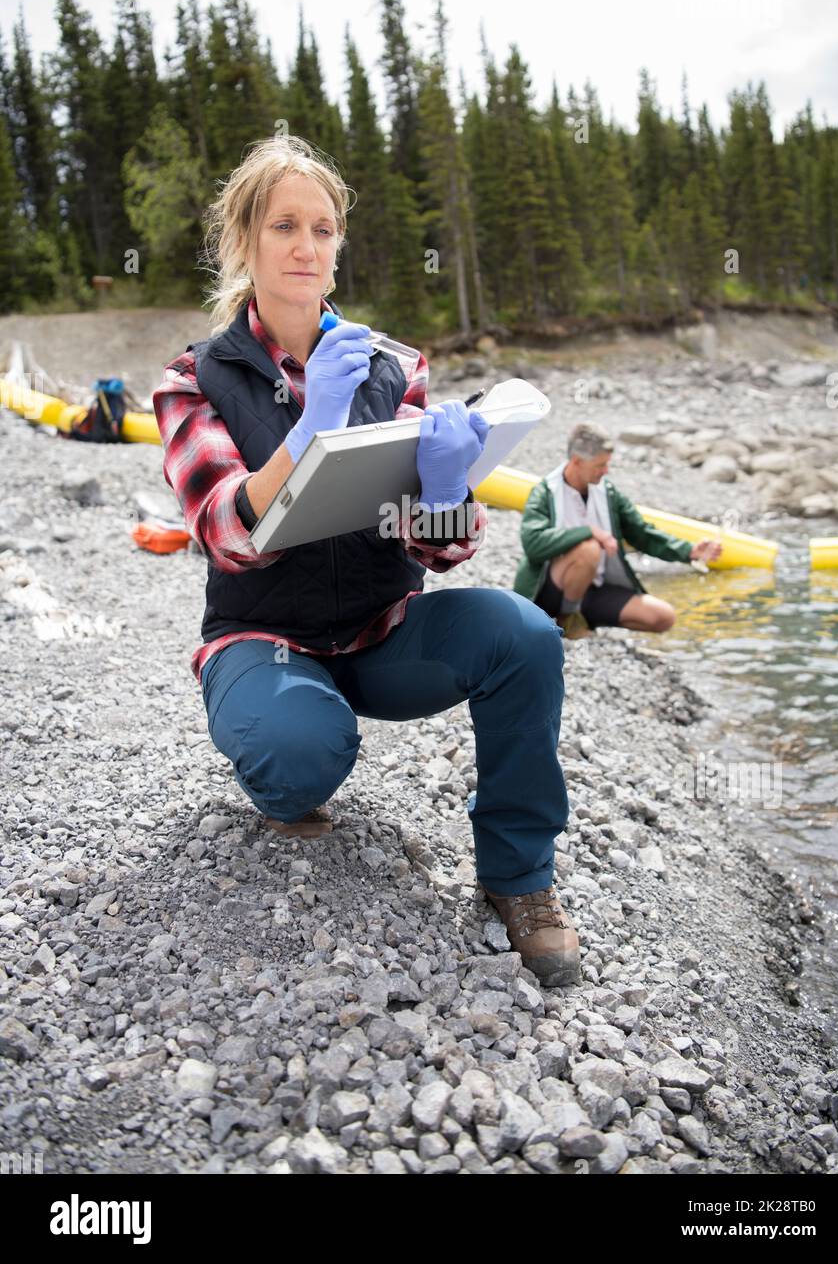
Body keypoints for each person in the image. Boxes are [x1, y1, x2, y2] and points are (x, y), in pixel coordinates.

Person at [152, 135, 581, 986]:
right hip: (264, 637)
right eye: (284, 226)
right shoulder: (197, 376)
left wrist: (448, 483)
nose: (307, 246)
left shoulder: (397, 366)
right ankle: (288, 759)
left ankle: (519, 878)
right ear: (245, 242)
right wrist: (310, 435)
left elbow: (441, 550)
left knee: (526, 635)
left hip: (385, 633)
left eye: (323, 227)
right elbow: (221, 531)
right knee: (302, 752)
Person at [513, 422, 722, 638]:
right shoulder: (545, 492)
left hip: (594, 591)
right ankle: (567, 619)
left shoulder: (608, 493)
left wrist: (688, 551)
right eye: (599, 465)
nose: (606, 471)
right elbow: (533, 544)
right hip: (549, 593)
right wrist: (590, 531)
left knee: (663, 617)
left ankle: (584, 620)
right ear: (577, 461)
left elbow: (642, 533)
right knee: (589, 549)